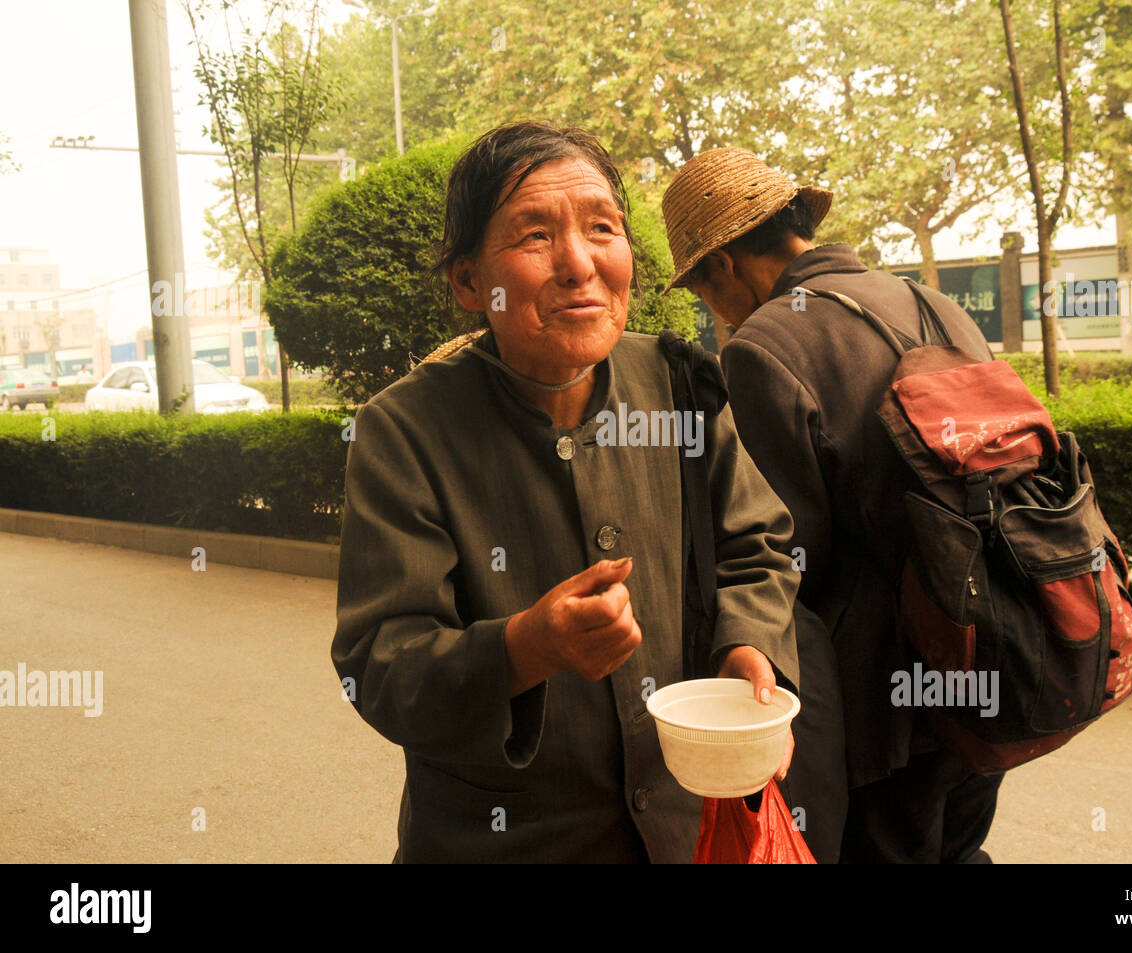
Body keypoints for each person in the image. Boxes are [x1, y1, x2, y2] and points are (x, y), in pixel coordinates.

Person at [331, 122, 800, 863]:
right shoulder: (404, 431)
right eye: (535, 237)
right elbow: (379, 664)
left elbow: (759, 541)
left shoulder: (679, 385)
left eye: (601, 228)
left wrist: (749, 647)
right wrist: (527, 647)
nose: (579, 264)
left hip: (683, 833)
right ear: (466, 281)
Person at [661, 147, 1004, 863]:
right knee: (961, 849)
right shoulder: (929, 303)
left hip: (886, 701)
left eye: (701, 288)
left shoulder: (764, 345)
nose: (711, 310)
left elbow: (780, 552)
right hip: (992, 651)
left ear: (722, 264)